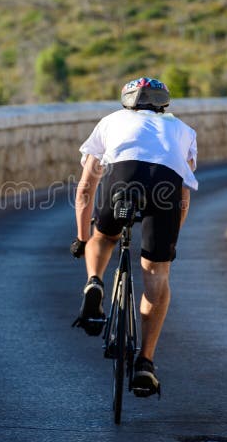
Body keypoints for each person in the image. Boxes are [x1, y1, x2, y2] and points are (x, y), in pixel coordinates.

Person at [70, 77, 198, 397]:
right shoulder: (183, 131)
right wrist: (170, 243)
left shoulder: (110, 122)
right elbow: (184, 194)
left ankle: (95, 282)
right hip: (165, 187)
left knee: (105, 237)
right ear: (164, 104)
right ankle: (145, 363)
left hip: (121, 179)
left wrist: (82, 238)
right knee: (156, 273)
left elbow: (85, 189)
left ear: (125, 102)